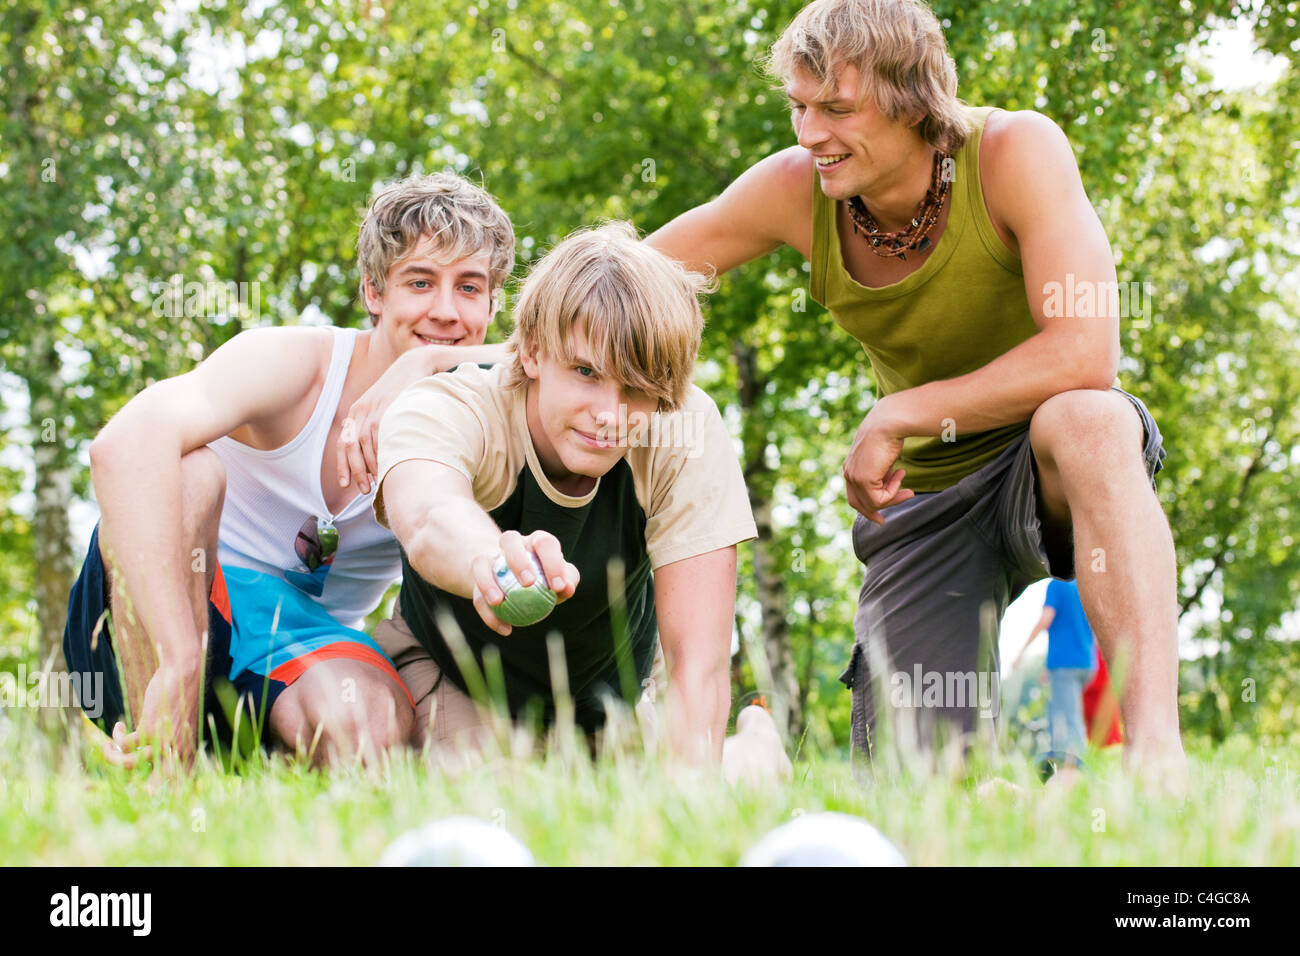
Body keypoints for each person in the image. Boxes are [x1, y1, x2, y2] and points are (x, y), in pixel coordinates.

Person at [645, 0, 1185, 778]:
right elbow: (626, 281)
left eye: (836, 108)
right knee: (922, 785)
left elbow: (1085, 349)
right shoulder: (795, 191)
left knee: (1092, 419)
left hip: (1049, 461)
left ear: (913, 98)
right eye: (799, 106)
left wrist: (902, 411)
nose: (808, 134)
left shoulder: (1014, 152)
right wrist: (481, 359)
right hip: (925, 496)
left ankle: (1157, 763)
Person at [62, 172, 516, 772]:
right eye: (420, 282)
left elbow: (595, 320)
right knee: (193, 471)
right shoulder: (293, 363)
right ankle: (160, 765)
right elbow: (121, 445)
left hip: (299, 640)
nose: (444, 310)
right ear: (374, 292)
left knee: (371, 725)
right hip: (173, 596)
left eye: (469, 288)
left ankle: (239, 760)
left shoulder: (481, 411)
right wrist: (180, 657)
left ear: (491, 306)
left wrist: (433, 361)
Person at [373, 223, 758, 763]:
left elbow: (699, 661)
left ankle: (757, 747)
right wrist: (492, 559)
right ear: (531, 351)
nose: (610, 414)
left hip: (610, 700)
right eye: (586, 372)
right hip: (456, 676)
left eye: (639, 388)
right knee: (492, 820)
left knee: (682, 801)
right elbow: (428, 515)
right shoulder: (451, 405)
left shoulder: (685, 429)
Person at [1012, 578, 1097, 761]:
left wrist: (1022, 651)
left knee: (1065, 719)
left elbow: (1046, 619)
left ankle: (1071, 770)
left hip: (1065, 662)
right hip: (1086, 662)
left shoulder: (1057, 584)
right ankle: (1064, 764)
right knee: (1066, 712)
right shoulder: (1084, 584)